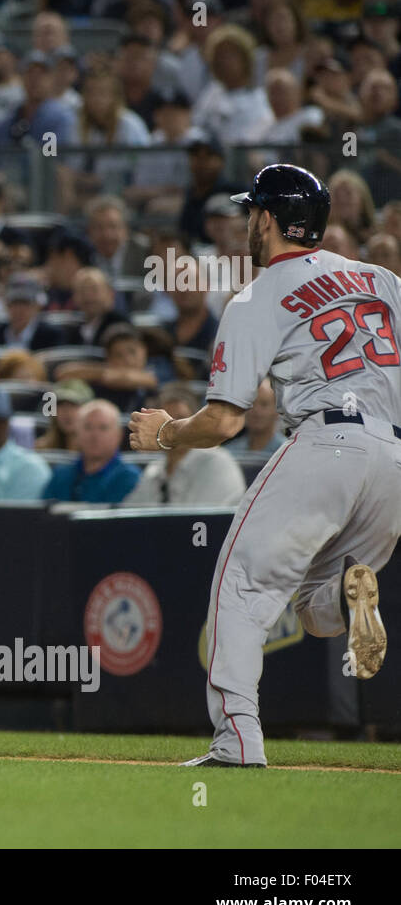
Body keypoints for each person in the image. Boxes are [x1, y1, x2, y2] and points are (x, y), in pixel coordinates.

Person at [128, 164, 397, 768]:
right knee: (313, 608)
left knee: (243, 585)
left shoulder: (257, 294)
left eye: (251, 213)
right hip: (393, 457)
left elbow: (224, 422)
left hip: (328, 442)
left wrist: (166, 432)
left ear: (269, 220)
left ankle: (238, 741)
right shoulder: (382, 280)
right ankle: (351, 598)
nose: (247, 223)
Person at [124, 383, 247, 505]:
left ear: (194, 422)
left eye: (180, 419)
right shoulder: (155, 469)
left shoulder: (217, 462)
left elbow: (199, 521)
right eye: (163, 422)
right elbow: (130, 513)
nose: (171, 426)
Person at [42, 399, 141, 502]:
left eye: (103, 428)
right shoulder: (60, 475)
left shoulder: (130, 479)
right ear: (77, 433)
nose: (94, 435)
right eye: (87, 427)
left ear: (119, 435)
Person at [34, 378, 92, 451]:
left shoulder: (98, 451)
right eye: (60, 405)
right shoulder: (41, 449)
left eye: (73, 405)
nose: (67, 412)